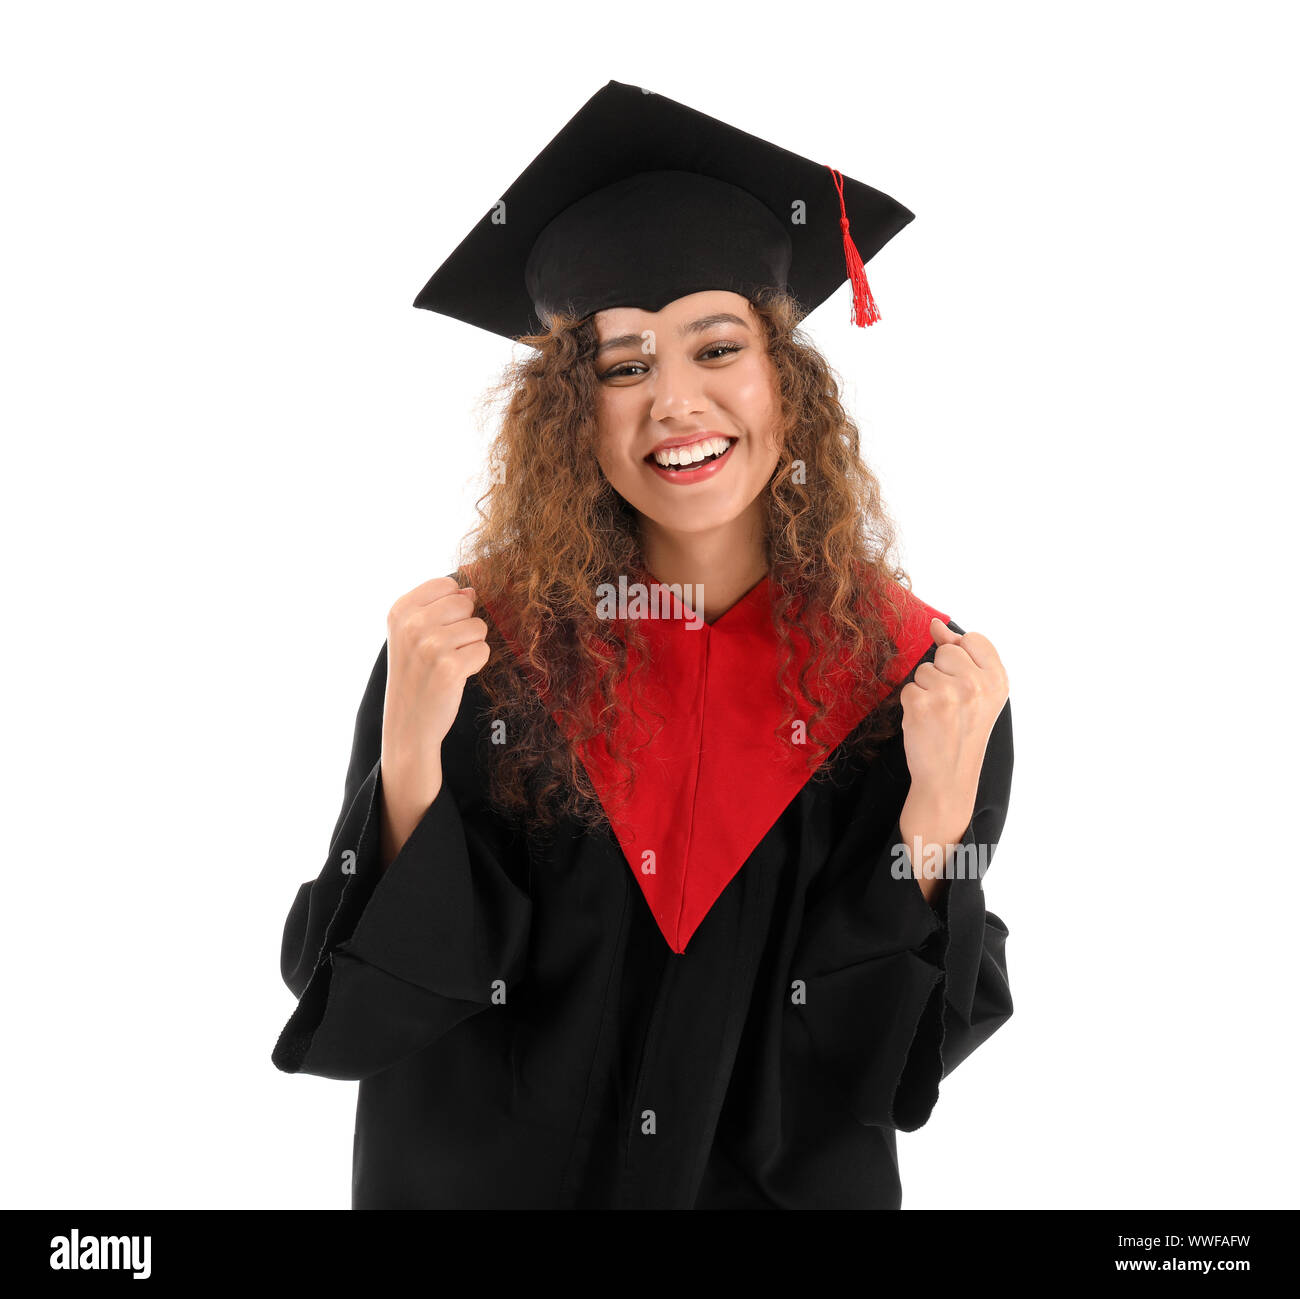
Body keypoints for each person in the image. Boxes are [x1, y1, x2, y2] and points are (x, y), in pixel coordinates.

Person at [271, 80, 1015, 1210]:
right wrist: (410, 763)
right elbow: (378, 1013)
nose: (674, 400)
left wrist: (932, 827)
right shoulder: (477, 653)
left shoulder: (914, 685)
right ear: (574, 415)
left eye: (717, 348)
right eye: (622, 366)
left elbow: (884, 1069)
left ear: (787, 378)